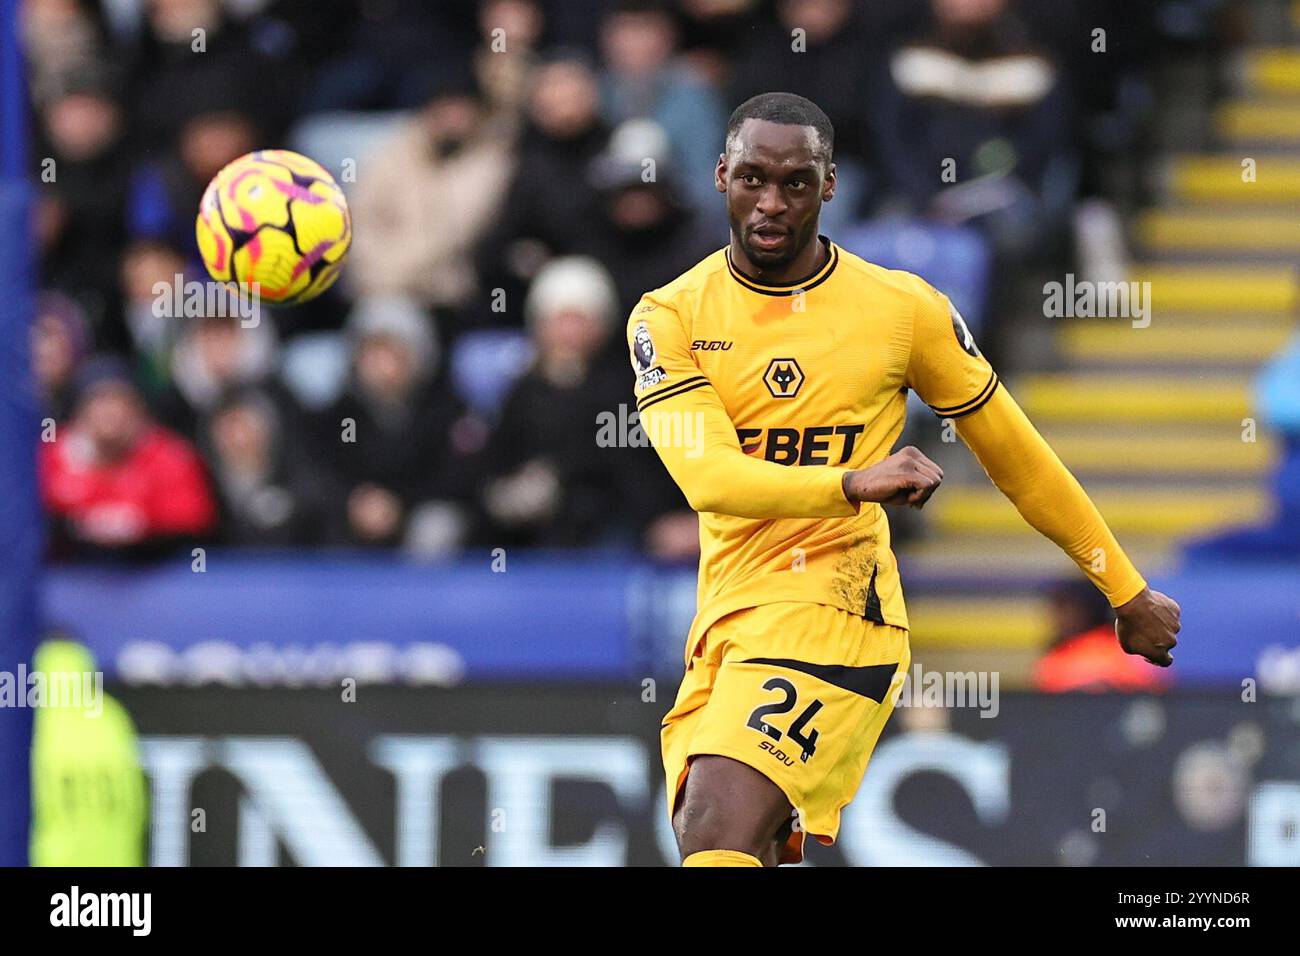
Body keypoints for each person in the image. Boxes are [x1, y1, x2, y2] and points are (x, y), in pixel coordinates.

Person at [630, 92, 1181, 867]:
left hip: (841, 612)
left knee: (718, 820)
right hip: (729, 616)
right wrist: (850, 483)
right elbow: (710, 479)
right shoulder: (670, 317)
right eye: (753, 178)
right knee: (715, 835)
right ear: (720, 175)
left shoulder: (900, 310)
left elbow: (1017, 458)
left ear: (829, 187)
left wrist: (1124, 589)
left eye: (795, 182)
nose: (771, 202)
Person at [38, 355, 217, 560]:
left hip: (155, 575)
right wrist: (74, 525)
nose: (111, 413)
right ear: (80, 411)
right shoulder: (51, 457)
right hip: (68, 576)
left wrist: (142, 527)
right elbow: (30, 522)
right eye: (99, 402)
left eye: (120, 401)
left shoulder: (171, 456)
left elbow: (193, 524)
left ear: (138, 410)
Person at [1032, 581, 1170, 693]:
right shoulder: (1055, 658)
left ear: (1087, 610)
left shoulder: (1129, 651)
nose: (1057, 618)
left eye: (1064, 608)